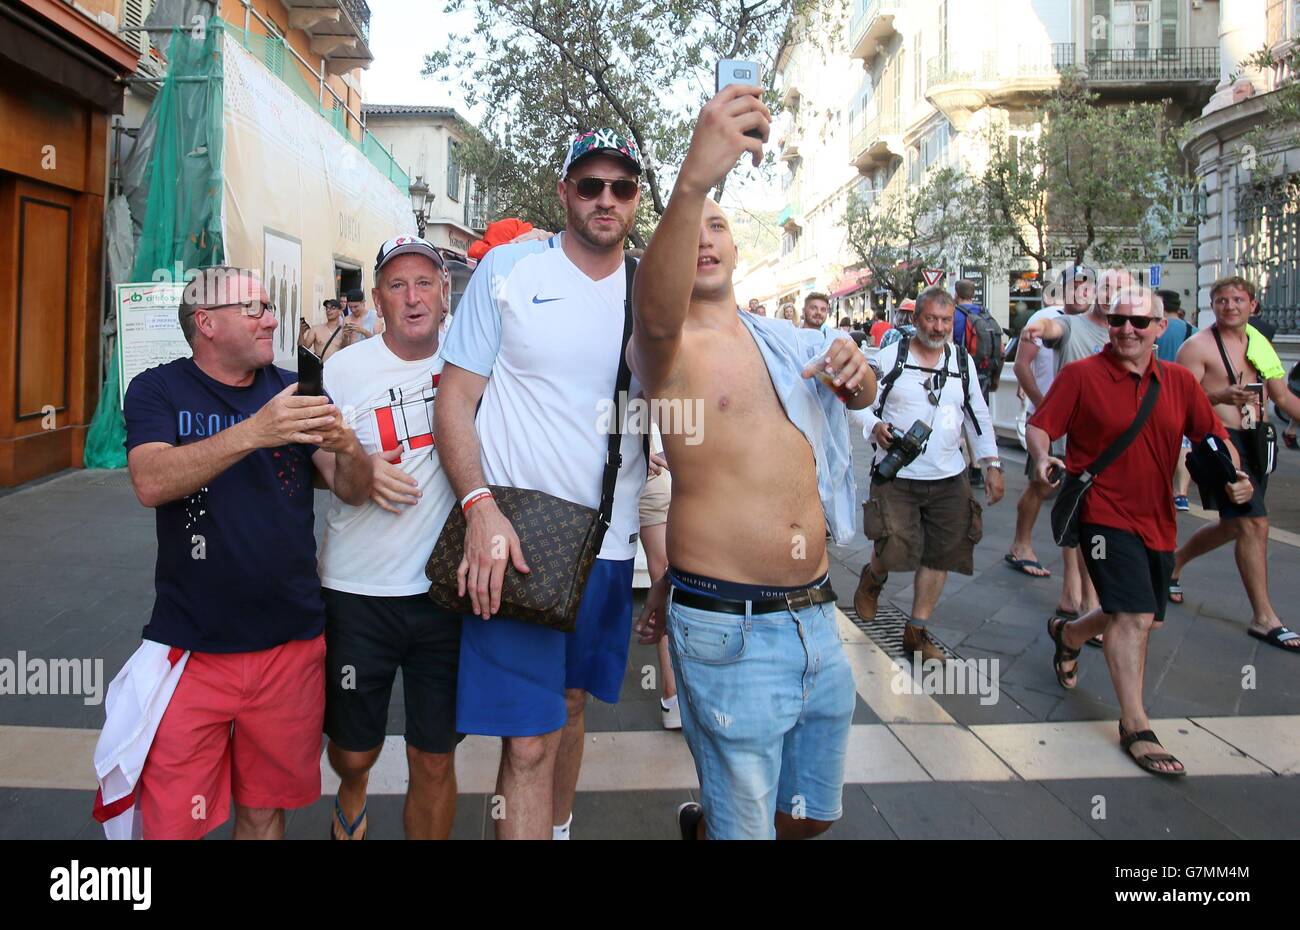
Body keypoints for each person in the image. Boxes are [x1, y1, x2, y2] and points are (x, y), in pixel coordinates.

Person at [628, 82, 874, 840]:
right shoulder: (662, 353)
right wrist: (695, 180)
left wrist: (856, 378)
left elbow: (853, 399)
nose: (705, 237)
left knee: (810, 818)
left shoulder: (784, 341)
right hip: (726, 626)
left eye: (720, 225)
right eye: (687, 227)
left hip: (815, 614)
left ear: (740, 247)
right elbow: (657, 313)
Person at [435, 127, 649, 840]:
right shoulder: (508, 271)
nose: (605, 199)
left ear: (638, 198)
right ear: (564, 192)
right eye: (590, 185)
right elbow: (454, 402)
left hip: (609, 546)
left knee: (574, 708)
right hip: (516, 543)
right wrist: (479, 510)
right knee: (527, 742)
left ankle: (556, 829)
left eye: (621, 186)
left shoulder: (652, 290)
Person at [122, 267, 373, 839]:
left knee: (264, 812)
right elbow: (151, 481)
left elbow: (352, 488)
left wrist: (346, 444)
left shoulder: (297, 390)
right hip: (189, 648)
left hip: (289, 643)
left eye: (269, 305)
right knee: (172, 823)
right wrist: (256, 431)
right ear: (206, 323)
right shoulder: (158, 388)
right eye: (255, 308)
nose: (274, 318)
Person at [1027, 287, 1250, 775]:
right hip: (1102, 513)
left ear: (1160, 327)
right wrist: (1044, 457)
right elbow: (1042, 426)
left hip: (1158, 518)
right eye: (1118, 320)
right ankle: (1136, 724)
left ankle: (1068, 634)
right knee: (1133, 613)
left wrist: (1237, 474)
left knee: (1141, 615)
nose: (1127, 329)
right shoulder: (1081, 376)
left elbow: (1212, 436)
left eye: (1139, 322)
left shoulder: (1177, 382)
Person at [314, 236, 463, 840]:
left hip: (445, 595)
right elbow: (332, 478)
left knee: (435, 756)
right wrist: (360, 465)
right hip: (357, 591)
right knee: (353, 751)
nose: (413, 296)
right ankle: (352, 789)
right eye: (397, 285)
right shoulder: (343, 370)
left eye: (425, 282)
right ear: (377, 299)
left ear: (445, 292)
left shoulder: (470, 359)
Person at [852, 286, 1004, 664]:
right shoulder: (890, 359)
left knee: (941, 554)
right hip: (897, 476)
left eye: (944, 321)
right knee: (894, 547)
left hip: (949, 476)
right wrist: (874, 428)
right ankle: (874, 576)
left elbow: (978, 415)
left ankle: (917, 632)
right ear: (916, 319)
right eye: (931, 319)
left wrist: (992, 463)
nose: (938, 328)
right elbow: (857, 404)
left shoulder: (961, 363)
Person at [1169, 276, 1300, 652]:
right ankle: (1264, 618)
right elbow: (1182, 405)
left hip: (1254, 438)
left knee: (1234, 526)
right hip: (1219, 441)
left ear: (1252, 305)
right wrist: (1221, 394)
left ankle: (1173, 564)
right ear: (1213, 305)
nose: (1230, 306)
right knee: (1254, 523)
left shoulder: (1259, 344)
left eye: (1237, 300)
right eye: (1222, 300)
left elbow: (1282, 397)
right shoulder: (1197, 347)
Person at [1005, 266, 1091, 581]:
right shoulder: (1046, 320)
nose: (1080, 292)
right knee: (1042, 485)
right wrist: (1046, 409)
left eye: (1086, 286)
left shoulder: (1097, 323)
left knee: (1082, 492)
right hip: (1050, 422)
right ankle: (1021, 544)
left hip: (1085, 425)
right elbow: (1022, 366)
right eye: (1073, 286)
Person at [637, 427, 677, 729]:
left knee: (664, 575)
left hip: (646, 468)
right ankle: (672, 694)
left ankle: (671, 690)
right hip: (596, 470)